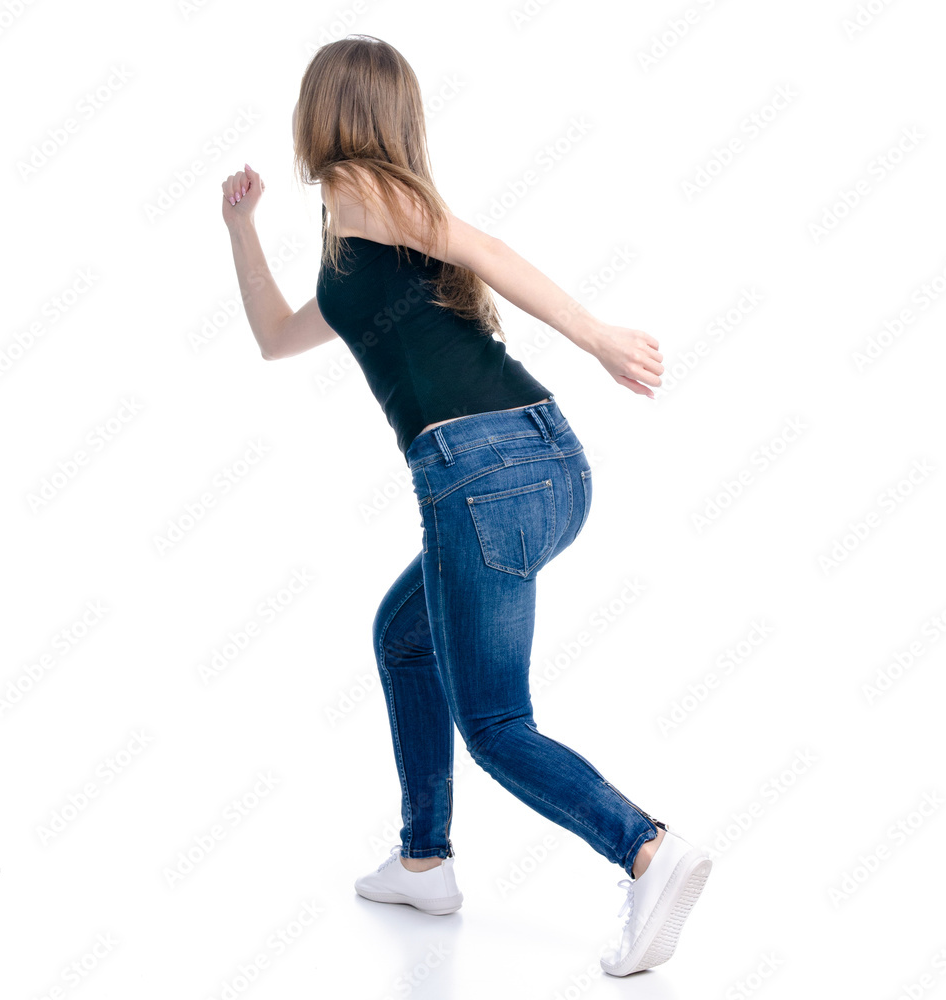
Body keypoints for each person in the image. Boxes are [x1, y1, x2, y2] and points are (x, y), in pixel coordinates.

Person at [221, 33, 711, 977]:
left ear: (327, 111)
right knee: (402, 636)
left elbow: (484, 248)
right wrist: (242, 227)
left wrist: (598, 336)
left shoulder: (358, 189)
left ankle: (649, 852)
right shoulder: (360, 244)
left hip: (480, 477)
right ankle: (424, 861)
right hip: (544, 466)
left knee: (494, 725)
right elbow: (278, 337)